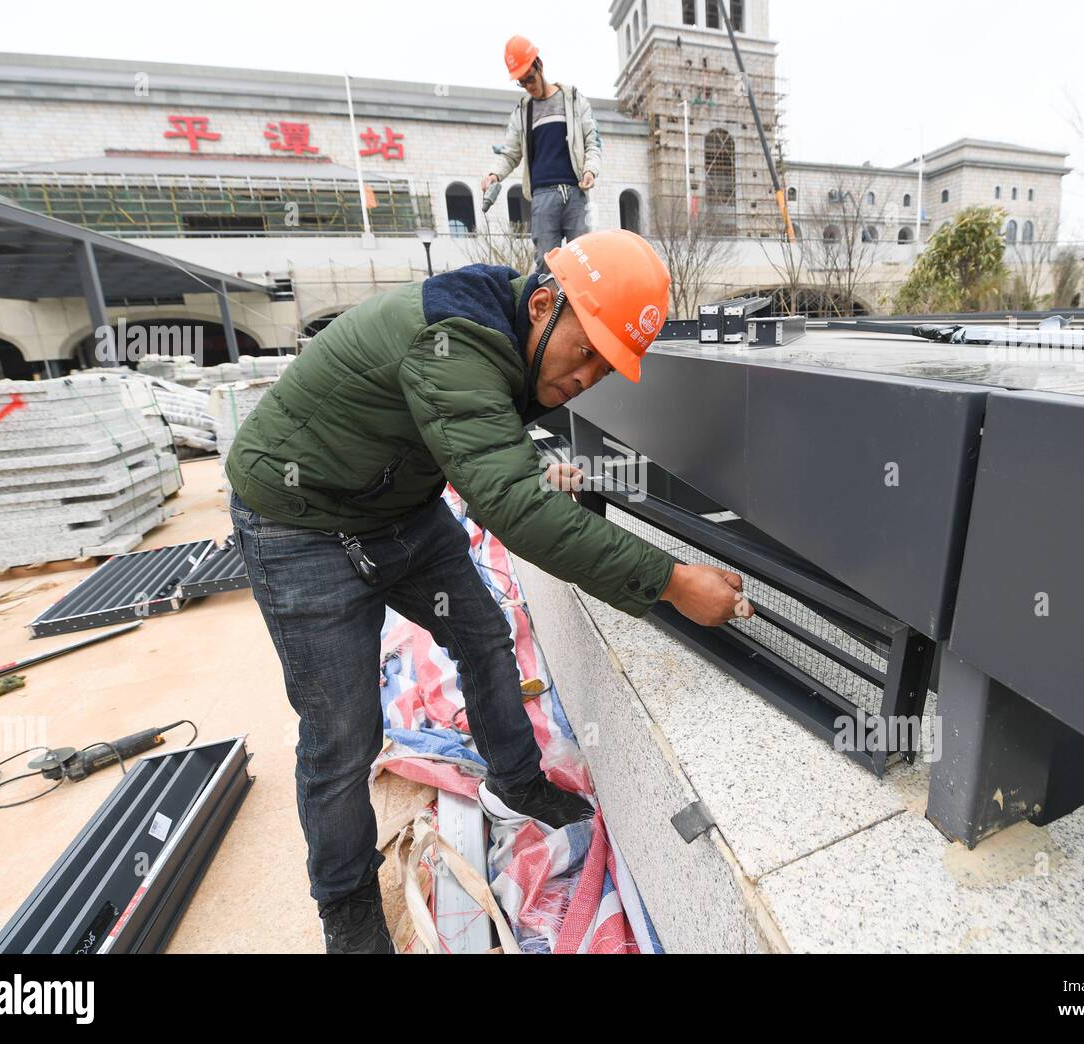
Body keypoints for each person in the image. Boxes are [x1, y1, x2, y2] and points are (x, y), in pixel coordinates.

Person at [225, 229, 752, 953]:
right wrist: (672, 581)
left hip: (396, 511)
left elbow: (500, 455)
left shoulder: (507, 338)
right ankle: (345, 910)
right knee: (342, 736)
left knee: (482, 634)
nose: (587, 377)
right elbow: (517, 509)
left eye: (607, 367)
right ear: (542, 304)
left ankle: (518, 780)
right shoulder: (455, 343)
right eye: (587, 350)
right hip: (299, 522)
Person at [481, 35, 601, 270]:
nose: (529, 86)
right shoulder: (522, 111)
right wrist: (494, 175)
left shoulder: (573, 99)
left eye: (530, 78)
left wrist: (590, 170)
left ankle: (581, 307)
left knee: (584, 263)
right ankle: (550, 307)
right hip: (542, 197)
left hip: (575, 193)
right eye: (522, 83)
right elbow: (510, 153)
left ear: (540, 65)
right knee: (546, 267)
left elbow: (592, 141)